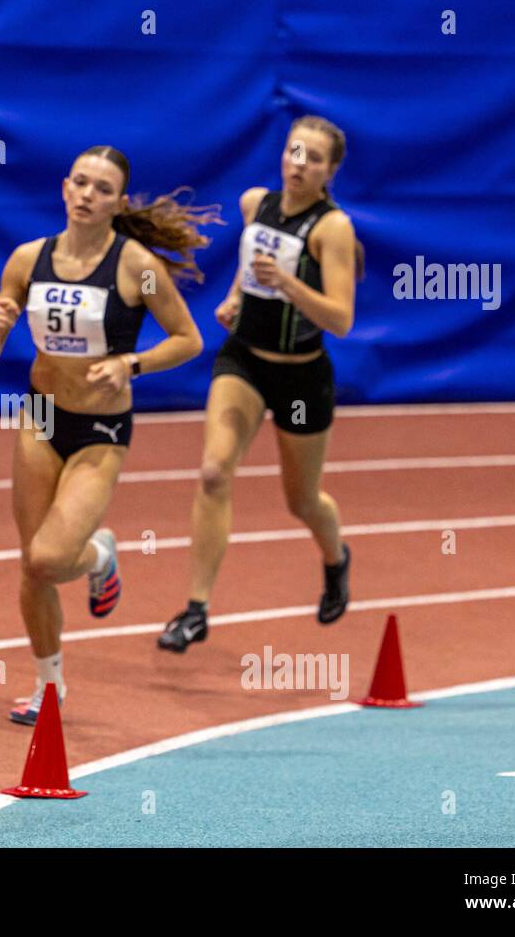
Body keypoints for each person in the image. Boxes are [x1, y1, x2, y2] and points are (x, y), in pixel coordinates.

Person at [0, 146, 214, 723]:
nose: (87, 195)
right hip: (42, 418)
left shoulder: (136, 266)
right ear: (64, 188)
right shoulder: (28, 259)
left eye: (101, 188)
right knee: (32, 564)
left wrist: (130, 365)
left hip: (101, 426)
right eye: (80, 183)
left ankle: (101, 554)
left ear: (117, 202)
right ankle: (49, 685)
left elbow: (188, 339)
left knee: (54, 557)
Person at [159, 115, 362, 653]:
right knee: (212, 471)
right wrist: (236, 297)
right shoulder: (256, 203)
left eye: (313, 158)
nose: (299, 163)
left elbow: (341, 319)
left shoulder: (332, 229)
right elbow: (252, 266)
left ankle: (335, 558)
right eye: (295, 151)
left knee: (301, 501)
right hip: (244, 360)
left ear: (330, 171)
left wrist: (289, 284)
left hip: (301, 375)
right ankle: (196, 609)